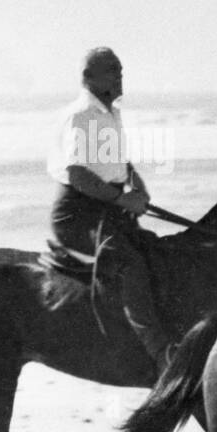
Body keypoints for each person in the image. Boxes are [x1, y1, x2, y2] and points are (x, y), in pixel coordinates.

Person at [49, 47, 172, 368]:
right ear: (88, 78)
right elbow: (77, 174)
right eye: (112, 70)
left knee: (155, 251)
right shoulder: (81, 115)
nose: (120, 76)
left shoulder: (109, 112)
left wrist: (135, 181)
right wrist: (121, 199)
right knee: (129, 264)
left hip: (107, 210)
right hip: (78, 215)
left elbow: (112, 159)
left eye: (121, 70)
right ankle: (159, 351)